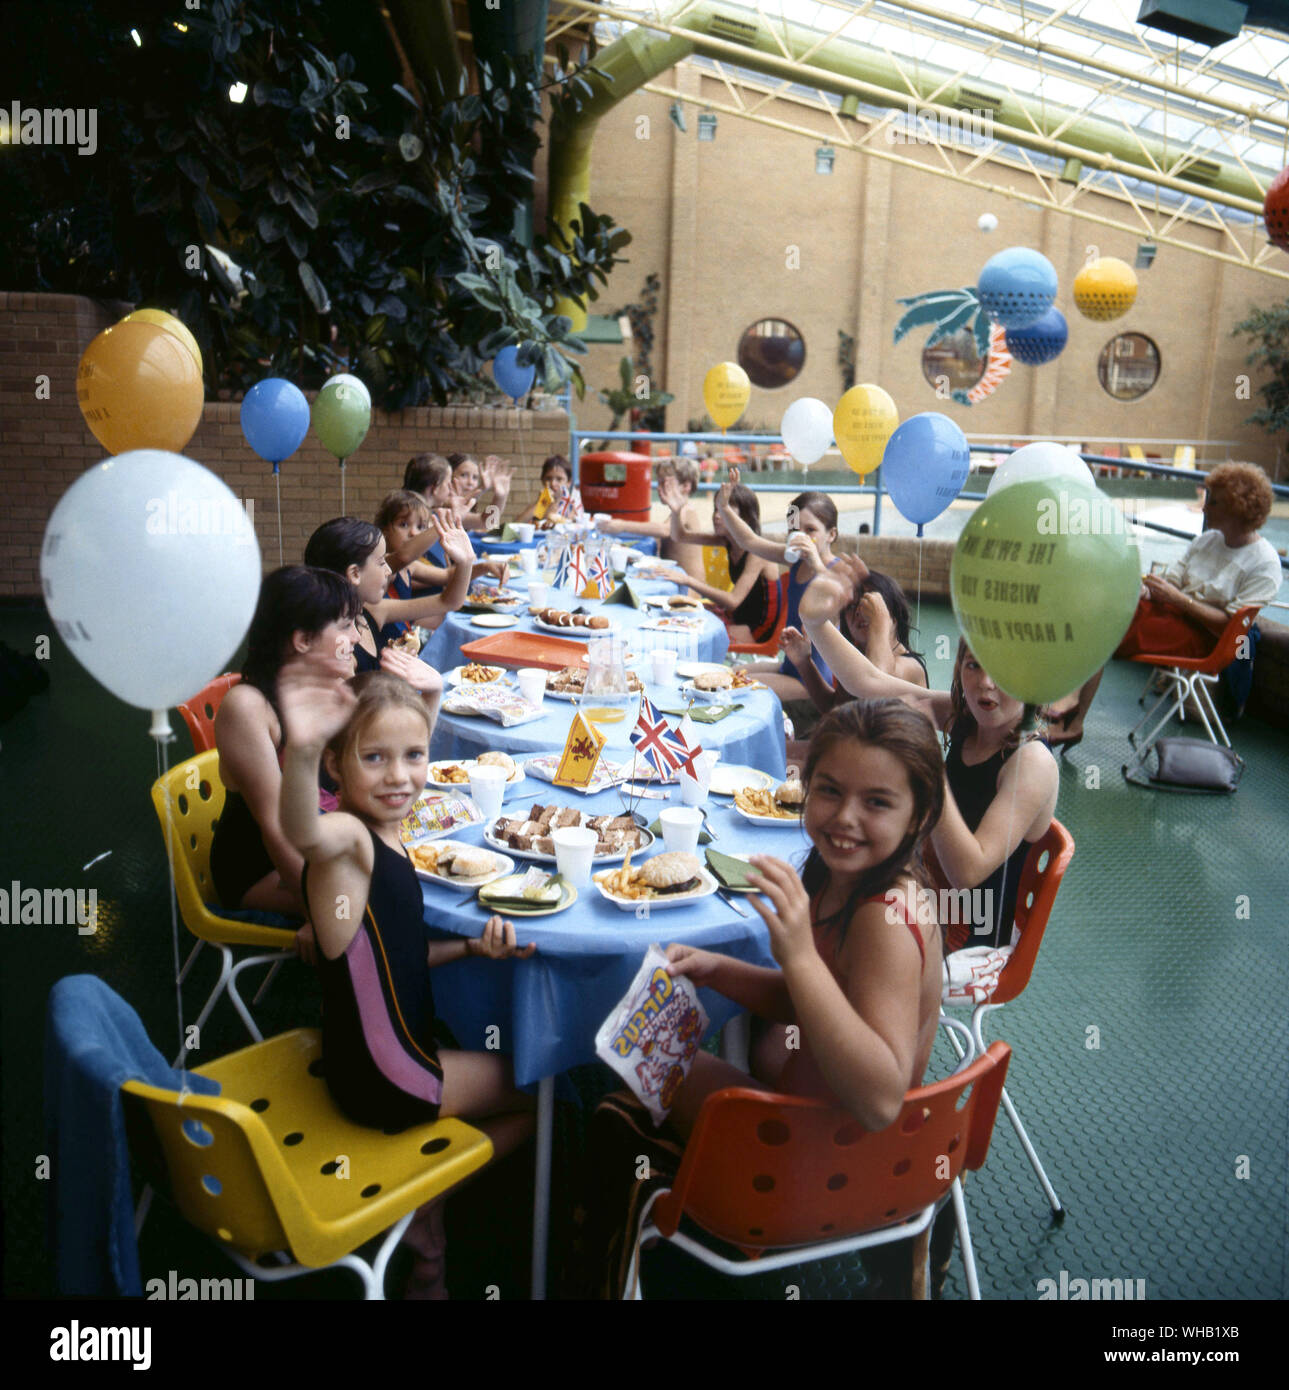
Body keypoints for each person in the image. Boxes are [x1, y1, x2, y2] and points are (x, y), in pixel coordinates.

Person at [577, 699, 947, 1299]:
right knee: (645, 1041)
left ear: (919, 814)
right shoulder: (841, 877)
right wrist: (721, 970)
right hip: (822, 1125)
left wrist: (798, 953)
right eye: (829, 790)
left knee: (618, 1086)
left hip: (820, 1159)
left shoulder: (885, 918)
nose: (845, 817)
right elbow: (819, 1003)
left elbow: (880, 1100)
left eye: (877, 802)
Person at [278, 667, 536, 1297]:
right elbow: (304, 832)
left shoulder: (386, 836)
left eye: (414, 756)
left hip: (365, 1058)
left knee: (505, 1064)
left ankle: (427, 1230)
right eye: (375, 758)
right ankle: (426, 1203)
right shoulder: (350, 844)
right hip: (386, 1077)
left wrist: (471, 947)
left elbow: (392, 956)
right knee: (544, 1097)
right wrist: (303, 750)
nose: (399, 776)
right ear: (337, 767)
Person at [799, 558, 1058, 954]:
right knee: (816, 875)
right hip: (921, 882)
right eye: (974, 665)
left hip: (968, 923)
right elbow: (869, 682)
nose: (985, 684)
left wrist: (930, 765)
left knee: (833, 917)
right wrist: (816, 623)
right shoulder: (965, 718)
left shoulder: (1032, 762)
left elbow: (968, 874)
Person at [1047, 462, 1281, 748]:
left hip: (1208, 639)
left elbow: (1231, 627)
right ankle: (1071, 716)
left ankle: (1070, 707)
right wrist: (1145, 589)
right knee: (1095, 608)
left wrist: (1176, 598)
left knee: (1102, 629)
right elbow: (1173, 578)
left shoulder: (1264, 562)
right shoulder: (1207, 540)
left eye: (1215, 502)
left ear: (1238, 509)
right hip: (1172, 616)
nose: (1205, 508)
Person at [210, 565, 361, 920]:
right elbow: (276, 829)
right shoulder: (248, 708)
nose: (355, 637)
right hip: (260, 870)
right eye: (345, 626)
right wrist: (314, 909)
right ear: (303, 640)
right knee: (371, 909)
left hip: (315, 839)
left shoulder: (324, 687)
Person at [303, 513, 473, 728]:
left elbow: (448, 601)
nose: (387, 570)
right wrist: (388, 680)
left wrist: (466, 562)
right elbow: (351, 728)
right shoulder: (336, 645)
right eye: (382, 561)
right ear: (355, 573)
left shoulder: (371, 611)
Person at [712, 468, 841, 700]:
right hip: (789, 667)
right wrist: (724, 508)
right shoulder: (794, 561)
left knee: (729, 690)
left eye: (810, 530)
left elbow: (836, 600)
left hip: (813, 681)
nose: (801, 536)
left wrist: (815, 562)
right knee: (722, 675)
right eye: (794, 529)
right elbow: (750, 540)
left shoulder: (836, 571)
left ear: (831, 534)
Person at [781, 562, 928, 764]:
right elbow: (833, 707)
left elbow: (875, 689)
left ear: (891, 612)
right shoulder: (860, 657)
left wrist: (879, 623)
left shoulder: (909, 666)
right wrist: (804, 663)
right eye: (851, 607)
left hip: (891, 766)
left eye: (868, 605)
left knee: (774, 758)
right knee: (771, 750)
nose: (859, 611)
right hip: (854, 753)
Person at [653, 476, 781, 644]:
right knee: (675, 615)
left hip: (756, 628)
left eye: (724, 510)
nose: (716, 516)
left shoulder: (756, 553)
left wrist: (688, 580)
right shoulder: (727, 540)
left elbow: (732, 601)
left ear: (746, 518)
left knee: (687, 633)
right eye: (716, 509)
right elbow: (679, 536)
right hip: (739, 615)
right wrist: (676, 512)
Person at [600, 458, 706, 581]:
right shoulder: (675, 514)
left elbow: (664, 530)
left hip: (691, 588)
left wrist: (622, 526)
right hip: (676, 579)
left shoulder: (687, 510)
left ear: (686, 486)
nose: (659, 488)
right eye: (658, 483)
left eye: (665, 484)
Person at [448, 452, 513, 532]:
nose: (470, 482)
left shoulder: (464, 507)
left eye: (475, 477)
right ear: (448, 476)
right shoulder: (442, 505)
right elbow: (486, 522)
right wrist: (482, 488)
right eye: (464, 475)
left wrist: (500, 496)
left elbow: (487, 522)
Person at [515, 455, 580, 524]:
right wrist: (539, 503)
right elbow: (516, 524)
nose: (553, 484)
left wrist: (557, 501)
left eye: (559, 479)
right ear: (542, 480)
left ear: (568, 482)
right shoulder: (540, 504)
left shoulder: (573, 505)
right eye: (548, 479)